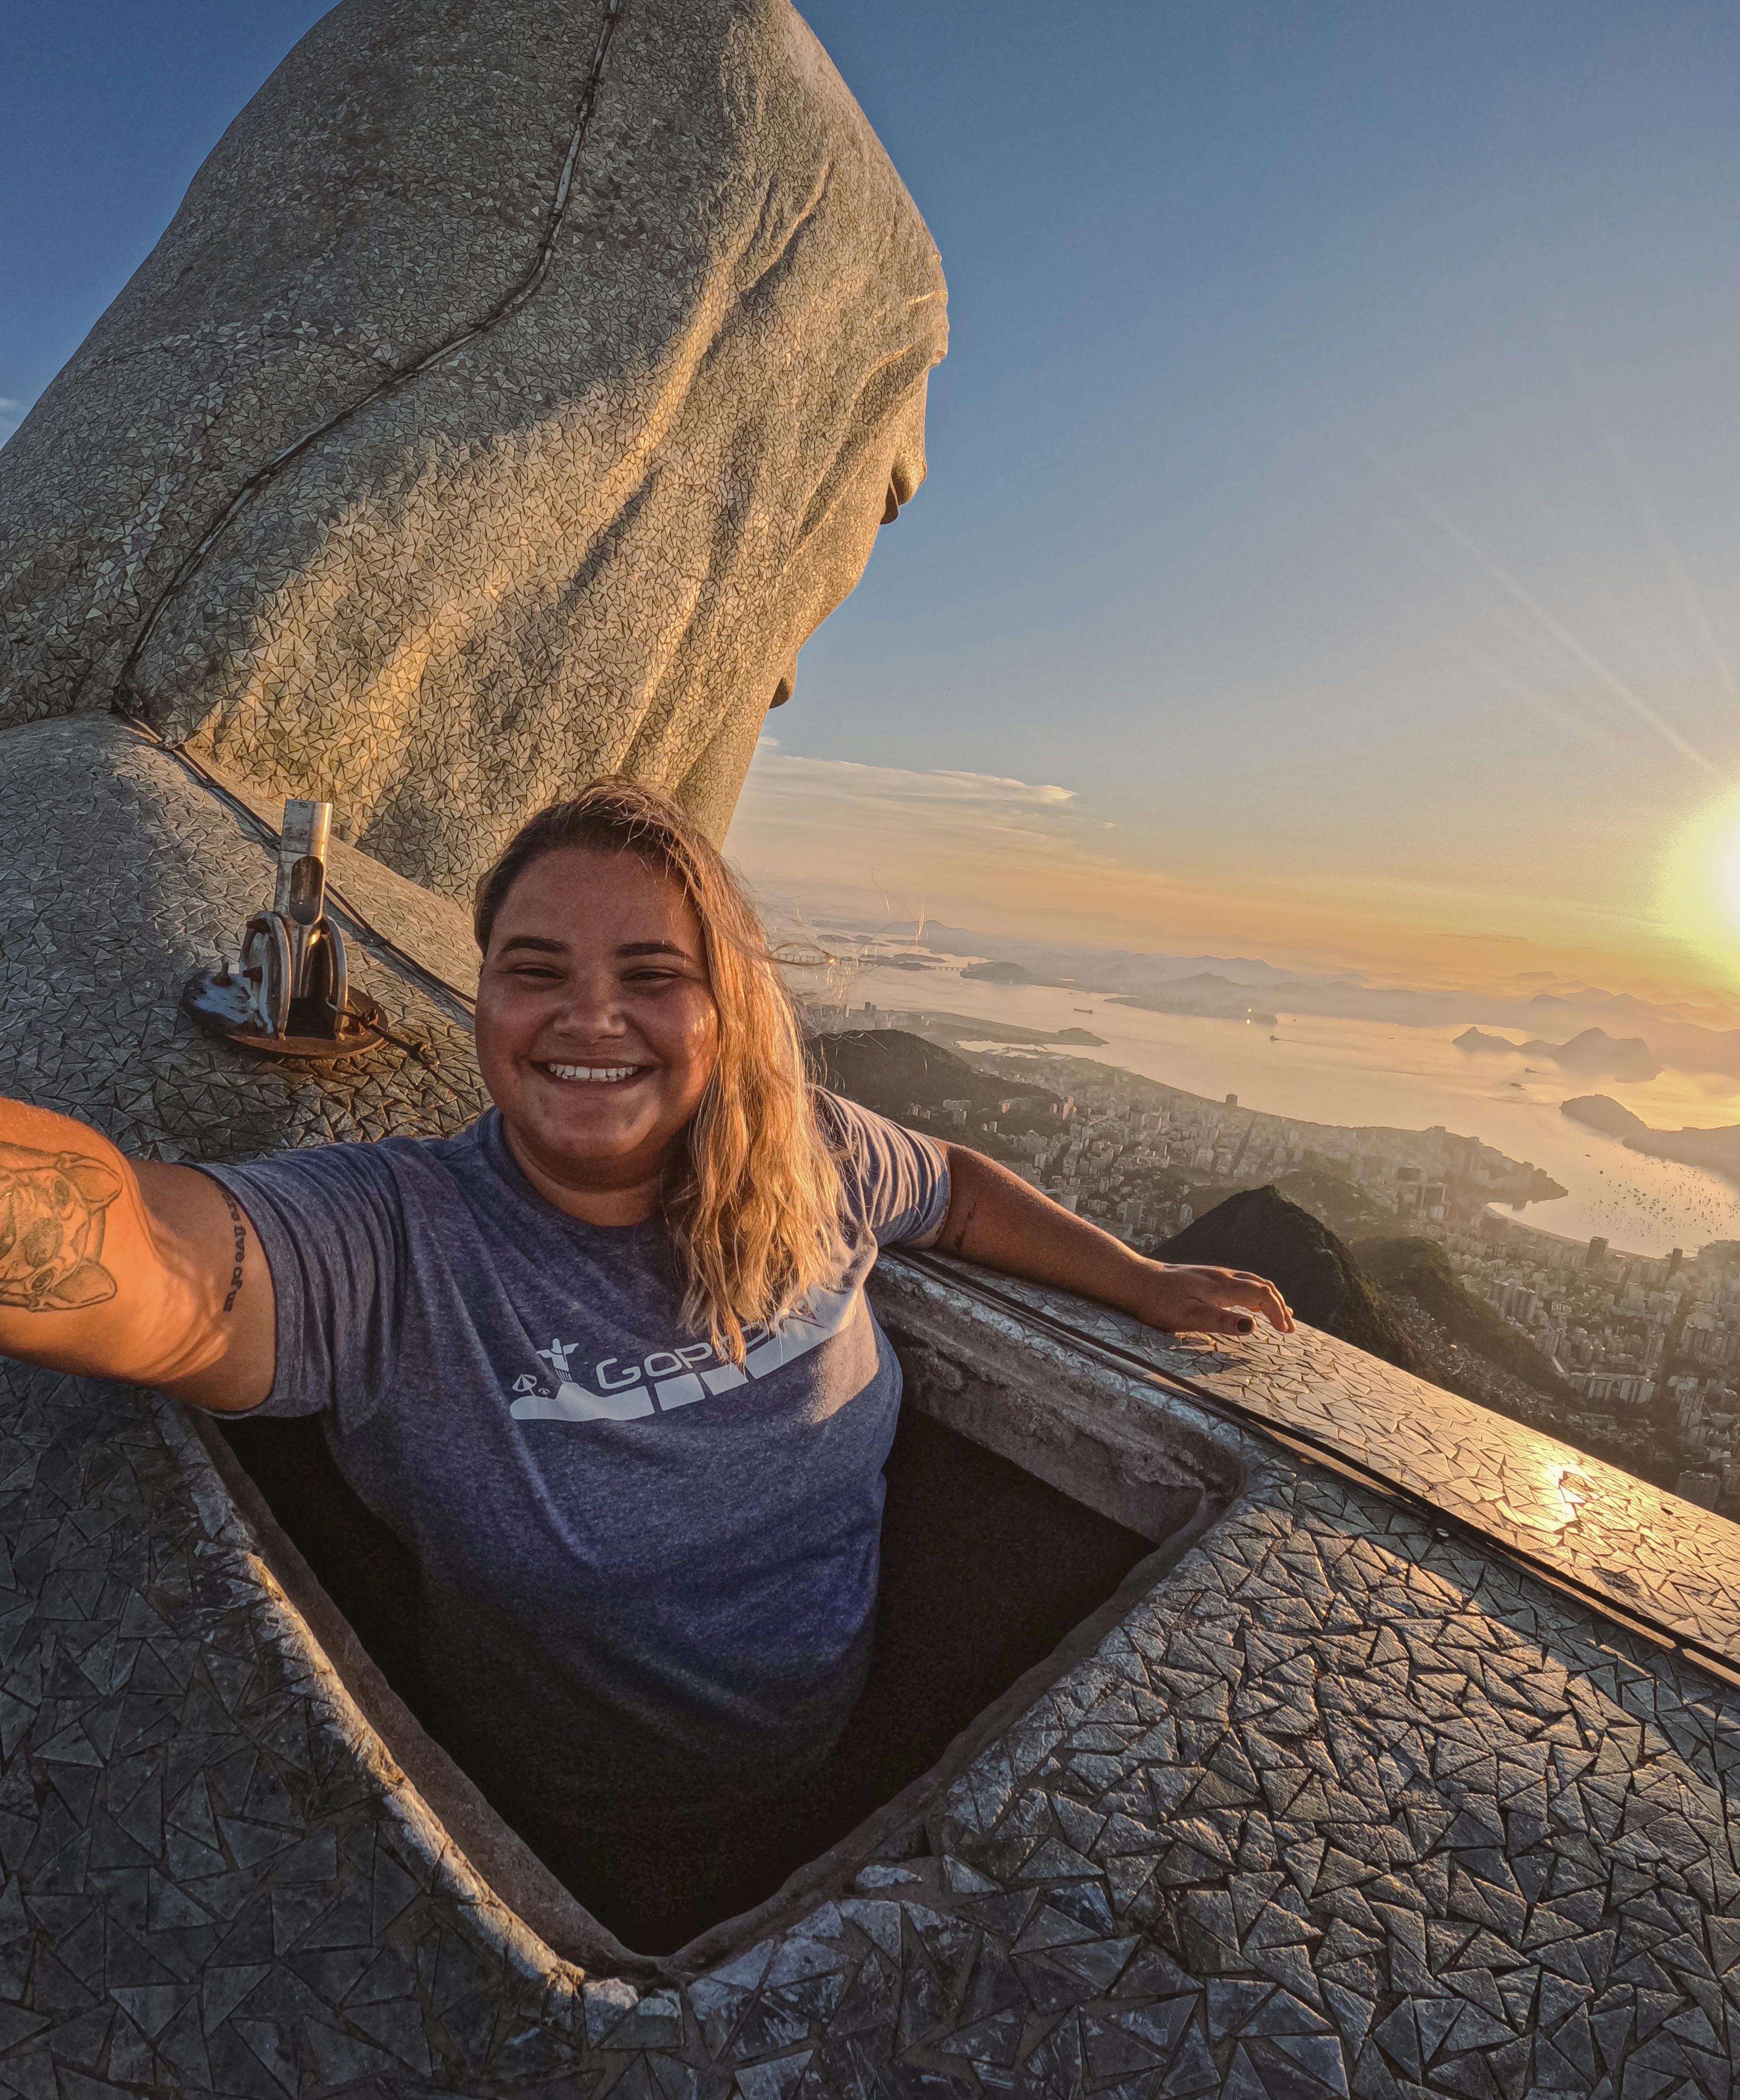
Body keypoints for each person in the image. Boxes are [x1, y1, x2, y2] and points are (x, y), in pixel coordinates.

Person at [0, 781, 1290, 1943]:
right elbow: (152, 1259)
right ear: (484, 997)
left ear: (725, 1010)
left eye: (651, 972)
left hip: (841, 1754)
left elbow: (950, 1188)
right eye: (535, 968)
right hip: (581, 1830)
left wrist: (1139, 1280)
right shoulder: (398, 1239)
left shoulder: (811, 1155)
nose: (589, 1014)